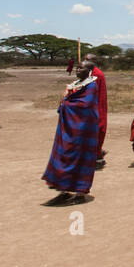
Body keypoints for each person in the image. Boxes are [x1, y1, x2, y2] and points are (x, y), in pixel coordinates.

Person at [41, 59, 99, 204]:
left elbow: (83, 105)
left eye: (81, 68)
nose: (78, 70)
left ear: (89, 71)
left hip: (83, 129)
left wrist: (66, 102)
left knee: (80, 157)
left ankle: (80, 193)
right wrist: (65, 99)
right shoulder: (75, 84)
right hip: (69, 128)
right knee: (63, 154)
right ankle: (64, 190)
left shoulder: (91, 86)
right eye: (77, 68)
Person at [84, 53, 108, 167]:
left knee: (96, 132)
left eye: (87, 60)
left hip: (96, 107)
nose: (85, 62)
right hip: (90, 107)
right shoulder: (88, 73)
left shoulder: (97, 74)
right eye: (84, 59)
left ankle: (98, 158)